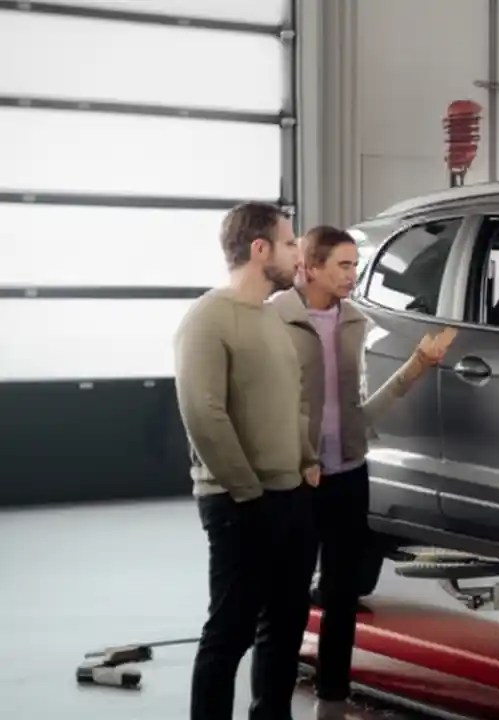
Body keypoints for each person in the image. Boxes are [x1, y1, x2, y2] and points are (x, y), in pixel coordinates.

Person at [270, 225, 455, 716]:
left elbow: (358, 413)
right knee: (287, 600)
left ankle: (333, 697)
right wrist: (296, 460)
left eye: (356, 264)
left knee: (342, 595)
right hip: (296, 478)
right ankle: (270, 702)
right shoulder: (275, 319)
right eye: (343, 265)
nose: (354, 274)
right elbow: (264, 407)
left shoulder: (353, 321)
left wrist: (417, 365)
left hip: (349, 474)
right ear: (310, 266)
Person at [173, 202, 322, 720]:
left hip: (291, 496)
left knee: (284, 627)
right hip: (238, 502)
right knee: (230, 631)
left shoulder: (271, 318)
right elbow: (203, 412)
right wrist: (248, 493)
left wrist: (305, 462)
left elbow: (292, 400)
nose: (296, 254)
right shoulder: (208, 318)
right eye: (288, 244)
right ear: (259, 249)